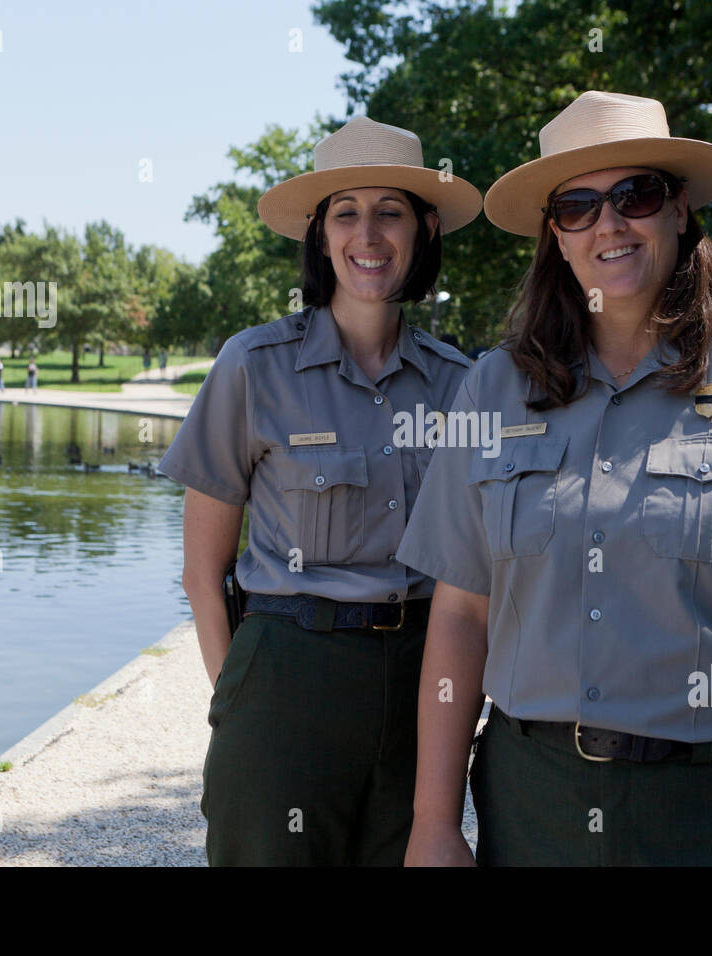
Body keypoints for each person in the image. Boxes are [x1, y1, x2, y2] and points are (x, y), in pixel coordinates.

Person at [396, 91, 712, 866]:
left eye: (635, 195)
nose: (609, 224)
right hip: (535, 804)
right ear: (556, 235)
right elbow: (458, 617)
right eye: (577, 206)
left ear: (680, 209)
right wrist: (433, 822)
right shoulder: (492, 389)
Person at [157, 116, 481, 865]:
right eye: (345, 213)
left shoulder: (463, 387)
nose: (367, 234)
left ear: (425, 229)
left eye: (390, 212)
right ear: (320, 234)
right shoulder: (252, 366)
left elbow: (474, 577)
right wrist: (240, 706)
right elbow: (203, 572)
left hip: (422, 683)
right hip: (285, 676)